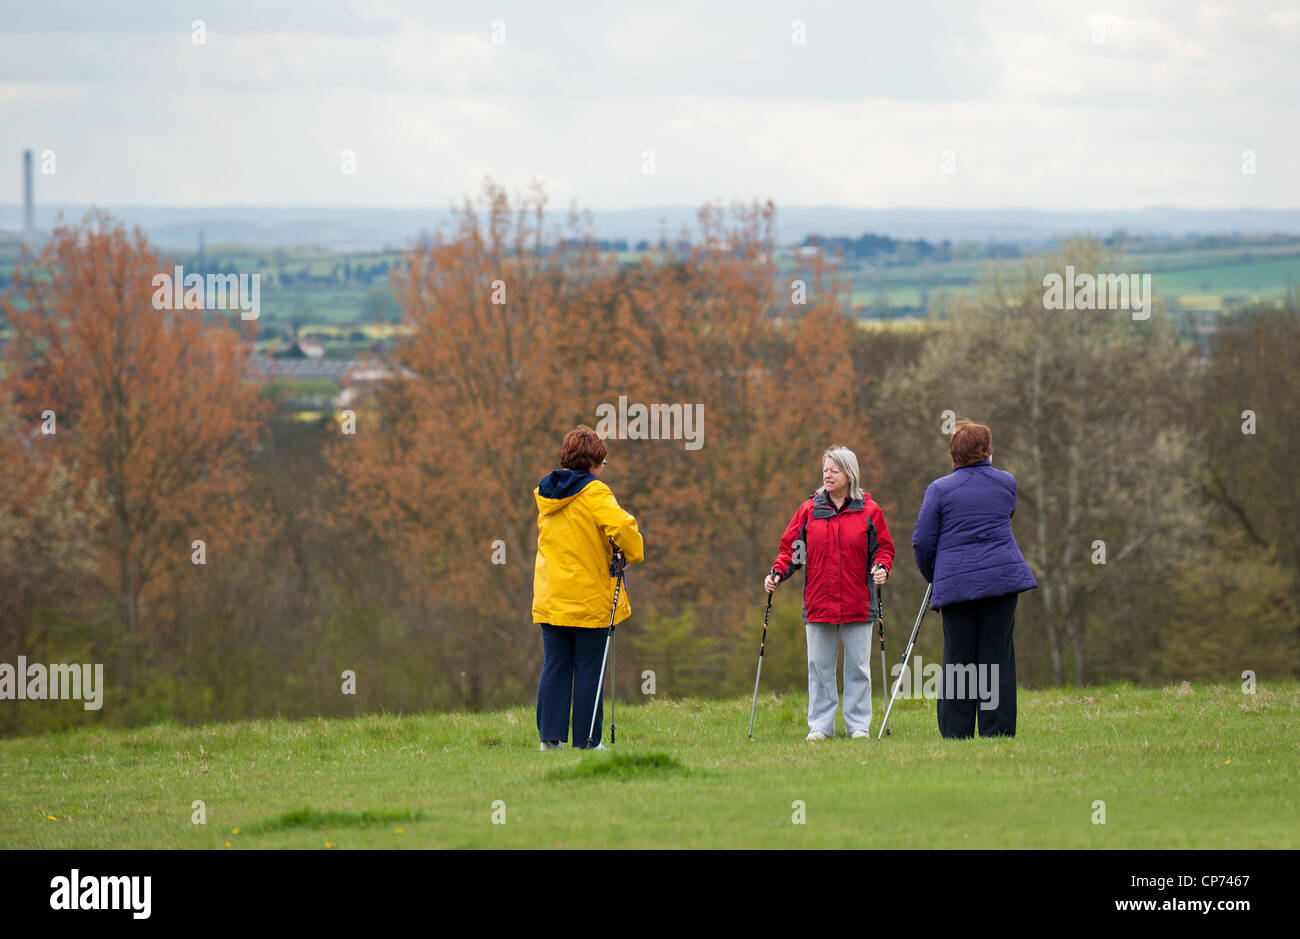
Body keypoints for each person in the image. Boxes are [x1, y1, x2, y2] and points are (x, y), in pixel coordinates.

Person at [912, 419, 1037, 738]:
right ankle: (997, 731)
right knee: (997, 658)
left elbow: (923, 542)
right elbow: (1006, 518)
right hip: (1003, 582)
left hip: (957, 586)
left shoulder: (939, 490)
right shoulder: (1007, 483)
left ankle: (957, 733)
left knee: (959, 660)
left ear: (954, 454)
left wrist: (936, 575)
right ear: (986, 451)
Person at [765, 445, 894, 740]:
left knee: (858, 667)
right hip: (819, 603)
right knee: (819, 667)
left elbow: (883, 549)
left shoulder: (870, 511)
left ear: (849, 474)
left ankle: (858, 726)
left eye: (834, 470)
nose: (828, 474)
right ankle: (821, 726)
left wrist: (881, 567)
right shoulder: (809, 510)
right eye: (825, 469)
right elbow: (791, 551)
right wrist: (777, 573)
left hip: (858, 602)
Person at [532, 425, 644, 751]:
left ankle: (549, 740)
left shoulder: (547, 494)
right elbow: (623, 526)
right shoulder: (595, 492)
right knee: (588, 669)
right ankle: (588, 741)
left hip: (552, 595)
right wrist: (632, 554)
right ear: (594, 462)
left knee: (555, 665)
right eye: (603, 462)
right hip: (588, 597)